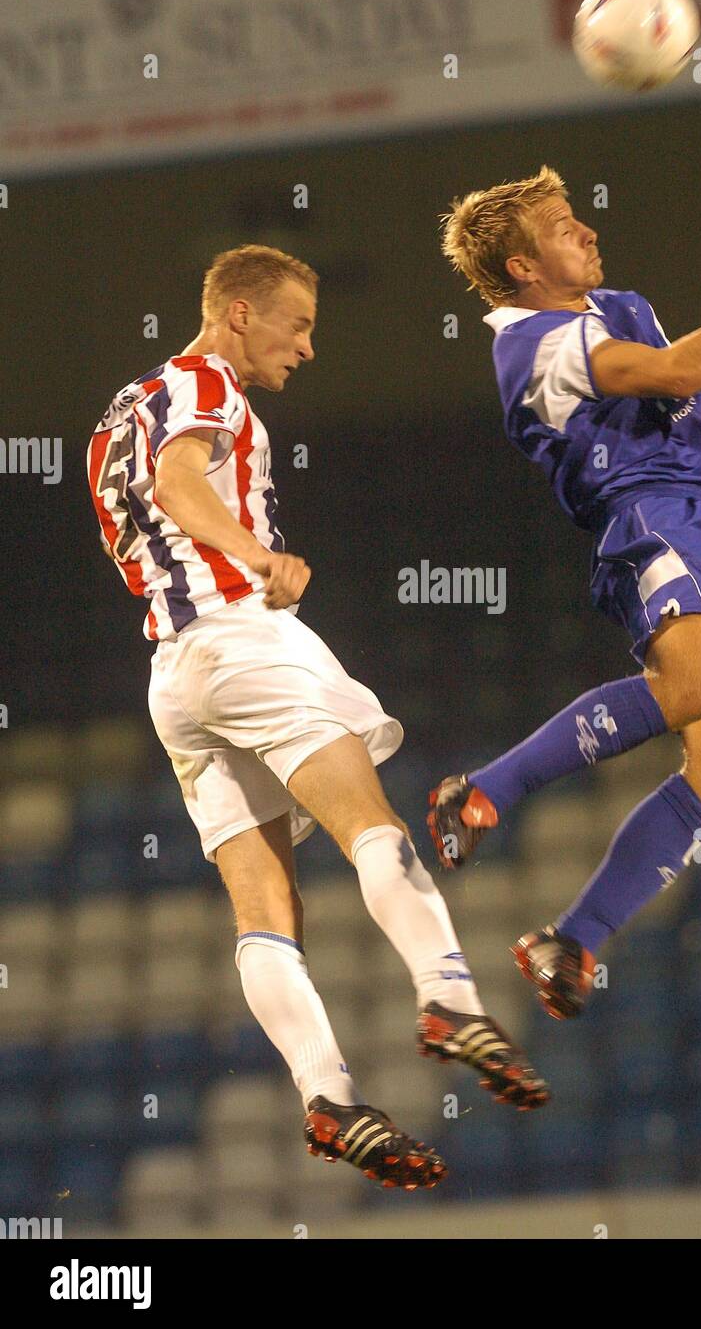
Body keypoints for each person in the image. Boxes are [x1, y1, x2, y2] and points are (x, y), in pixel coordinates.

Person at [87, 244, 548, 1192]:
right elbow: (177, 484)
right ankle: (449, 999)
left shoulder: (114, 414)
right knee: (371, 825)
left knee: (267, 911)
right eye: (297, 325)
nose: (308, 348)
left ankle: (328, 1096)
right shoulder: (196, 383)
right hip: (239, 638)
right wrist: (257, 555)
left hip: (174, 675)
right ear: (241, 313)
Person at [430, 167, 701, 1021]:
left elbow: (684, 401)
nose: (586, 231)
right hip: (648, 516)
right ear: (520, 267)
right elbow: (678, 370)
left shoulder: (621, 304)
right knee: (693, 690)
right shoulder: (532, 342)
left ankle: (570, 939)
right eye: (563, 226)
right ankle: (482, 790)